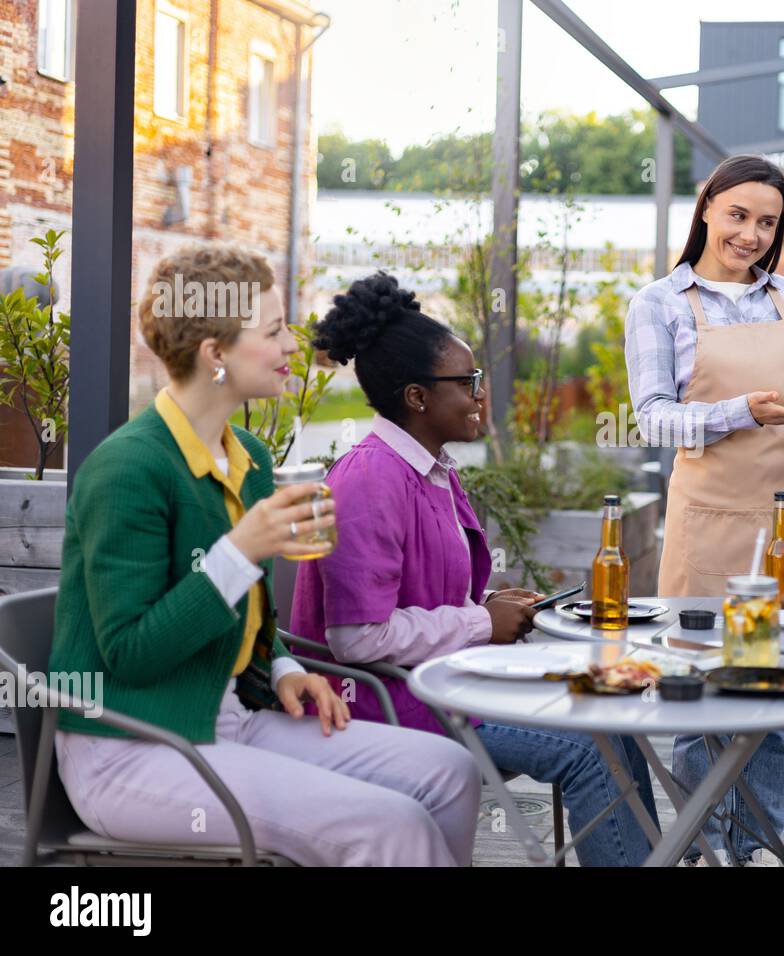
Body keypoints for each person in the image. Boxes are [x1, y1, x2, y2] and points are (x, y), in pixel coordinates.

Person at [48, 244, 480, 866]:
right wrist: (240, 550)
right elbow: (132, 654)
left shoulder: (247, 457)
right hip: (134, 748)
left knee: (450, 771)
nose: (291, 347)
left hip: (230, 716)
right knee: (391, 825)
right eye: (274, 331)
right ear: (216, 355)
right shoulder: (127, 469)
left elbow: (248, 619)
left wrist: (281, 669)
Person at [291, 271, 661, 867]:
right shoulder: (369, 479)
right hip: (385, 703)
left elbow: (428, 591)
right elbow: (356, 638)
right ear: (418, 397)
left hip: (444, 679)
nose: (481, 395)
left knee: (611, 706)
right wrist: (481, 623)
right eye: (469, 382)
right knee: (593, 744)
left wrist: (495, 602)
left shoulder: (431, 469)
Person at [625, 154, 784, 865]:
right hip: (709, 523)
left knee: (779, 693)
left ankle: (752, 851)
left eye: (768, 222)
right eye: (739, 216)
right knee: (704, 694)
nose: (752, 234)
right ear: (706, 209)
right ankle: (702, 849)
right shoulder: (660, 303)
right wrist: (742, 412)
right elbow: (652, 421)